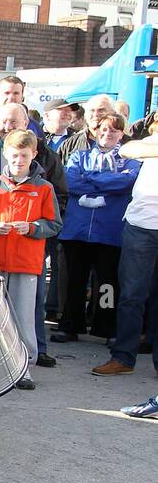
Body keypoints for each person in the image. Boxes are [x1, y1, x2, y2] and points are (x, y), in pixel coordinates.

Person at [0, 128, 62, 390]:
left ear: (33, 154)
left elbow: (54, 224)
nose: (19, 160)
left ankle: (23, 368)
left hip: (26, 263)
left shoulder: (44, 189)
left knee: (23, 318)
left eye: (24, 155)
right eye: (14, 155)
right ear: (5, 155)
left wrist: (33, 228)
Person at [55, 112, 140, 347]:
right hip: (77, 230)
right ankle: (70, 325)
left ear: (121, 134)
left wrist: (92, 178)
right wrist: (106, 182)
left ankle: (104, 326)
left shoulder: (130, 162)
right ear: (95, 131)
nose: (107, 134)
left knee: (106, 283)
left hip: (109, 231)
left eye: (113, 130)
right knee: (75, 280)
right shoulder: (78, 156)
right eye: (103, 129)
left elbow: (127, 182)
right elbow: (70, 182)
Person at [99, 132, 158, 378]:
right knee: (131, 295)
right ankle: (122, 357)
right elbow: (127, 149)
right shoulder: (153, 140)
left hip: (142, 229)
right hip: (140, 226)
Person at [58, 94, 116, 160]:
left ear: (113, 113)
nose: (95, 114)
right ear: (86, 115)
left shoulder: (125, 143)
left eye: (101, 110)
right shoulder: (70, 145)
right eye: (92, 110)